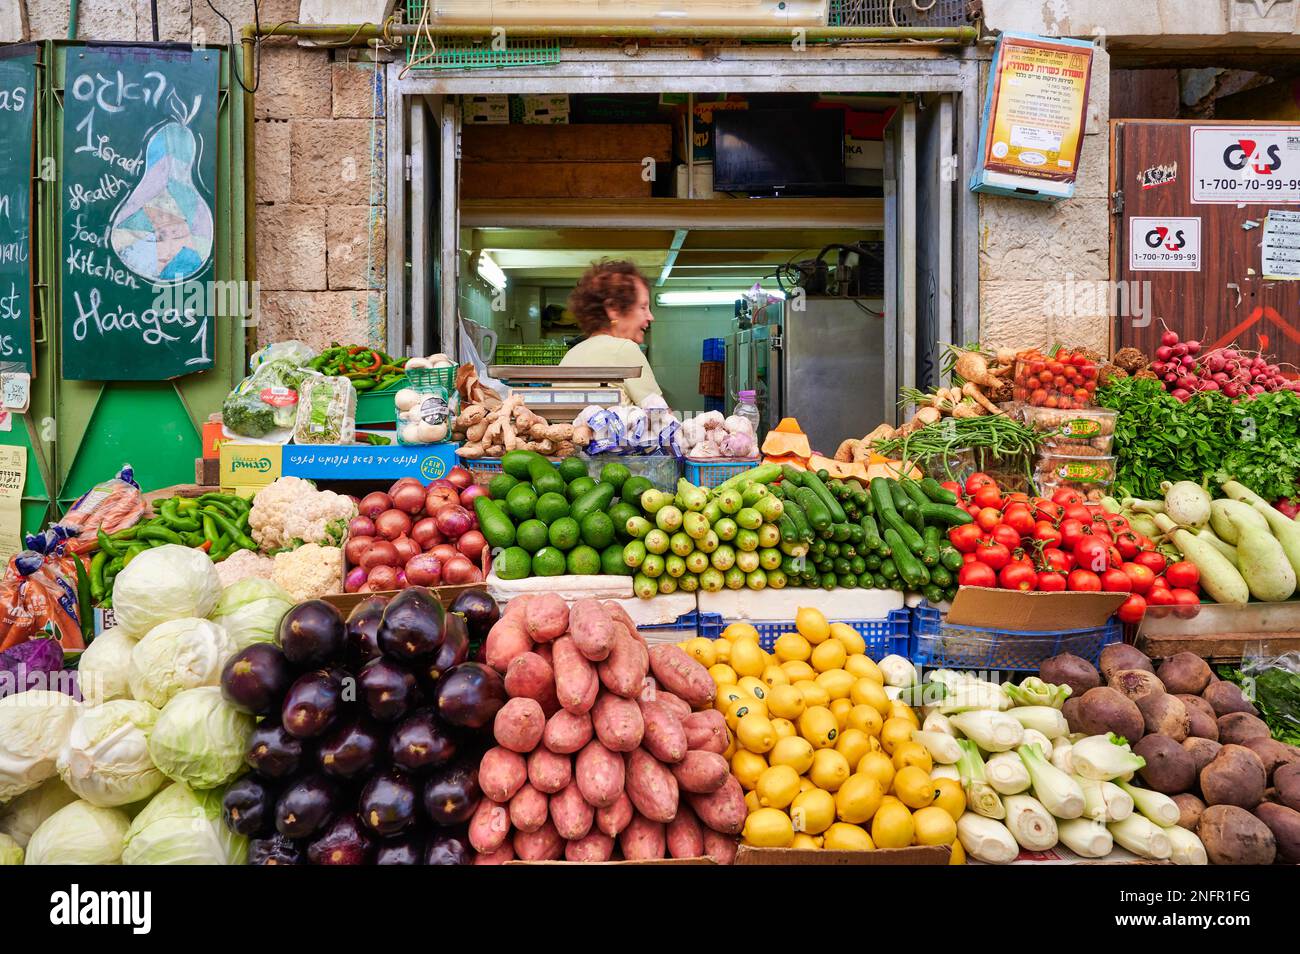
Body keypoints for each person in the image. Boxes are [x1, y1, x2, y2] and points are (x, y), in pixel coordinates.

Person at [558, 260, 663, 406]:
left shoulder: (570, 356)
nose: (650, 317)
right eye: (643, 307)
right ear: (613, 308)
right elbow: (661, 418)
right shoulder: (624, 349)